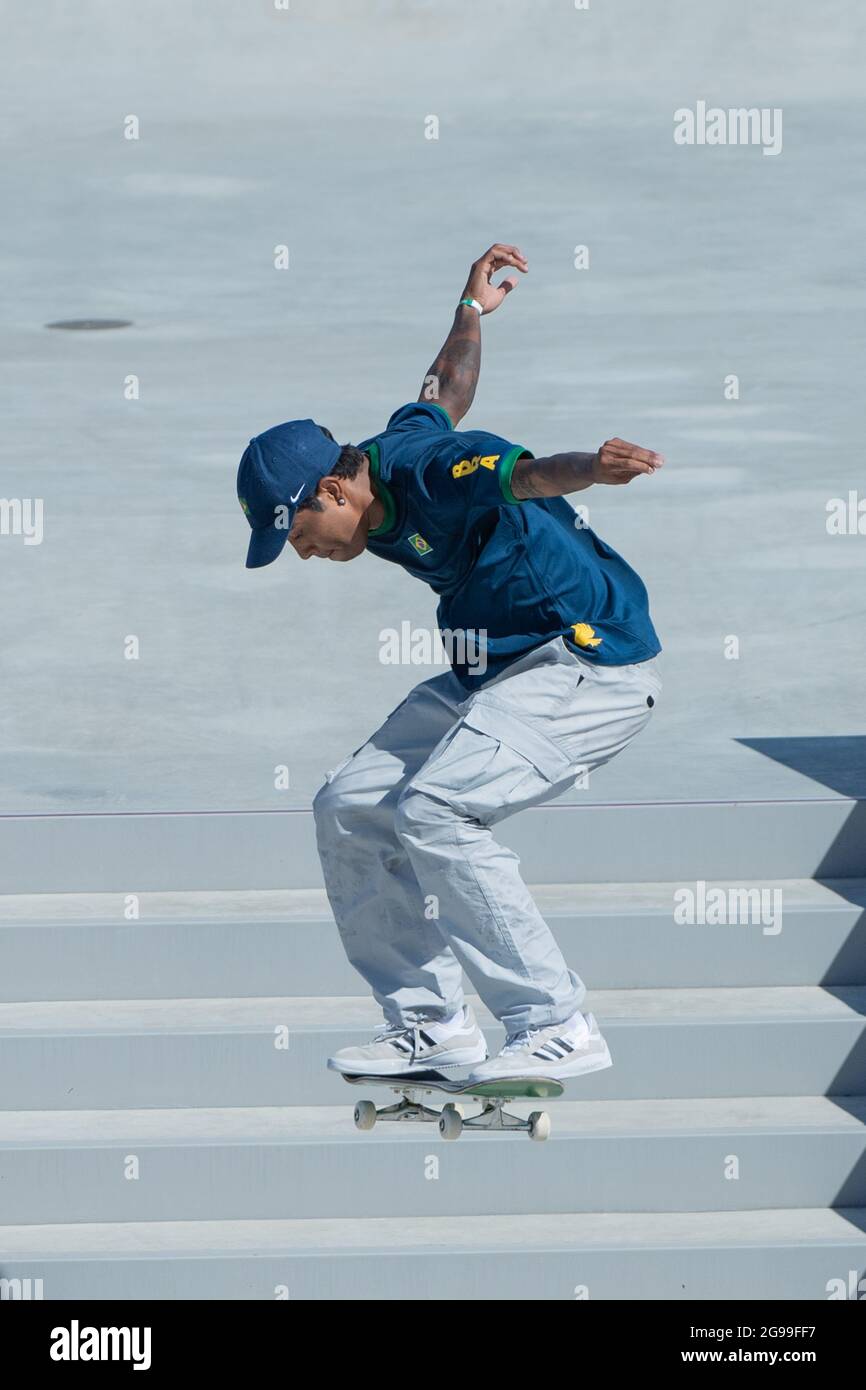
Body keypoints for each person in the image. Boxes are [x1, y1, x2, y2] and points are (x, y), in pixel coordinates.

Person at [237, 244, 664, 1081]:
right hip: (495, 667)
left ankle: (556, 1021)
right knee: (349, 805)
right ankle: (431, 1023)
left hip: (587, 661)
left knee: (435, 809)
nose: (303, 555)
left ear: (330, 493)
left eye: (295, 535)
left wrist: (594, 470)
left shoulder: (432, 471)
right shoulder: (397, 444)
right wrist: (470, 309)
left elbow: (528, 476)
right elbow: (443, 391)